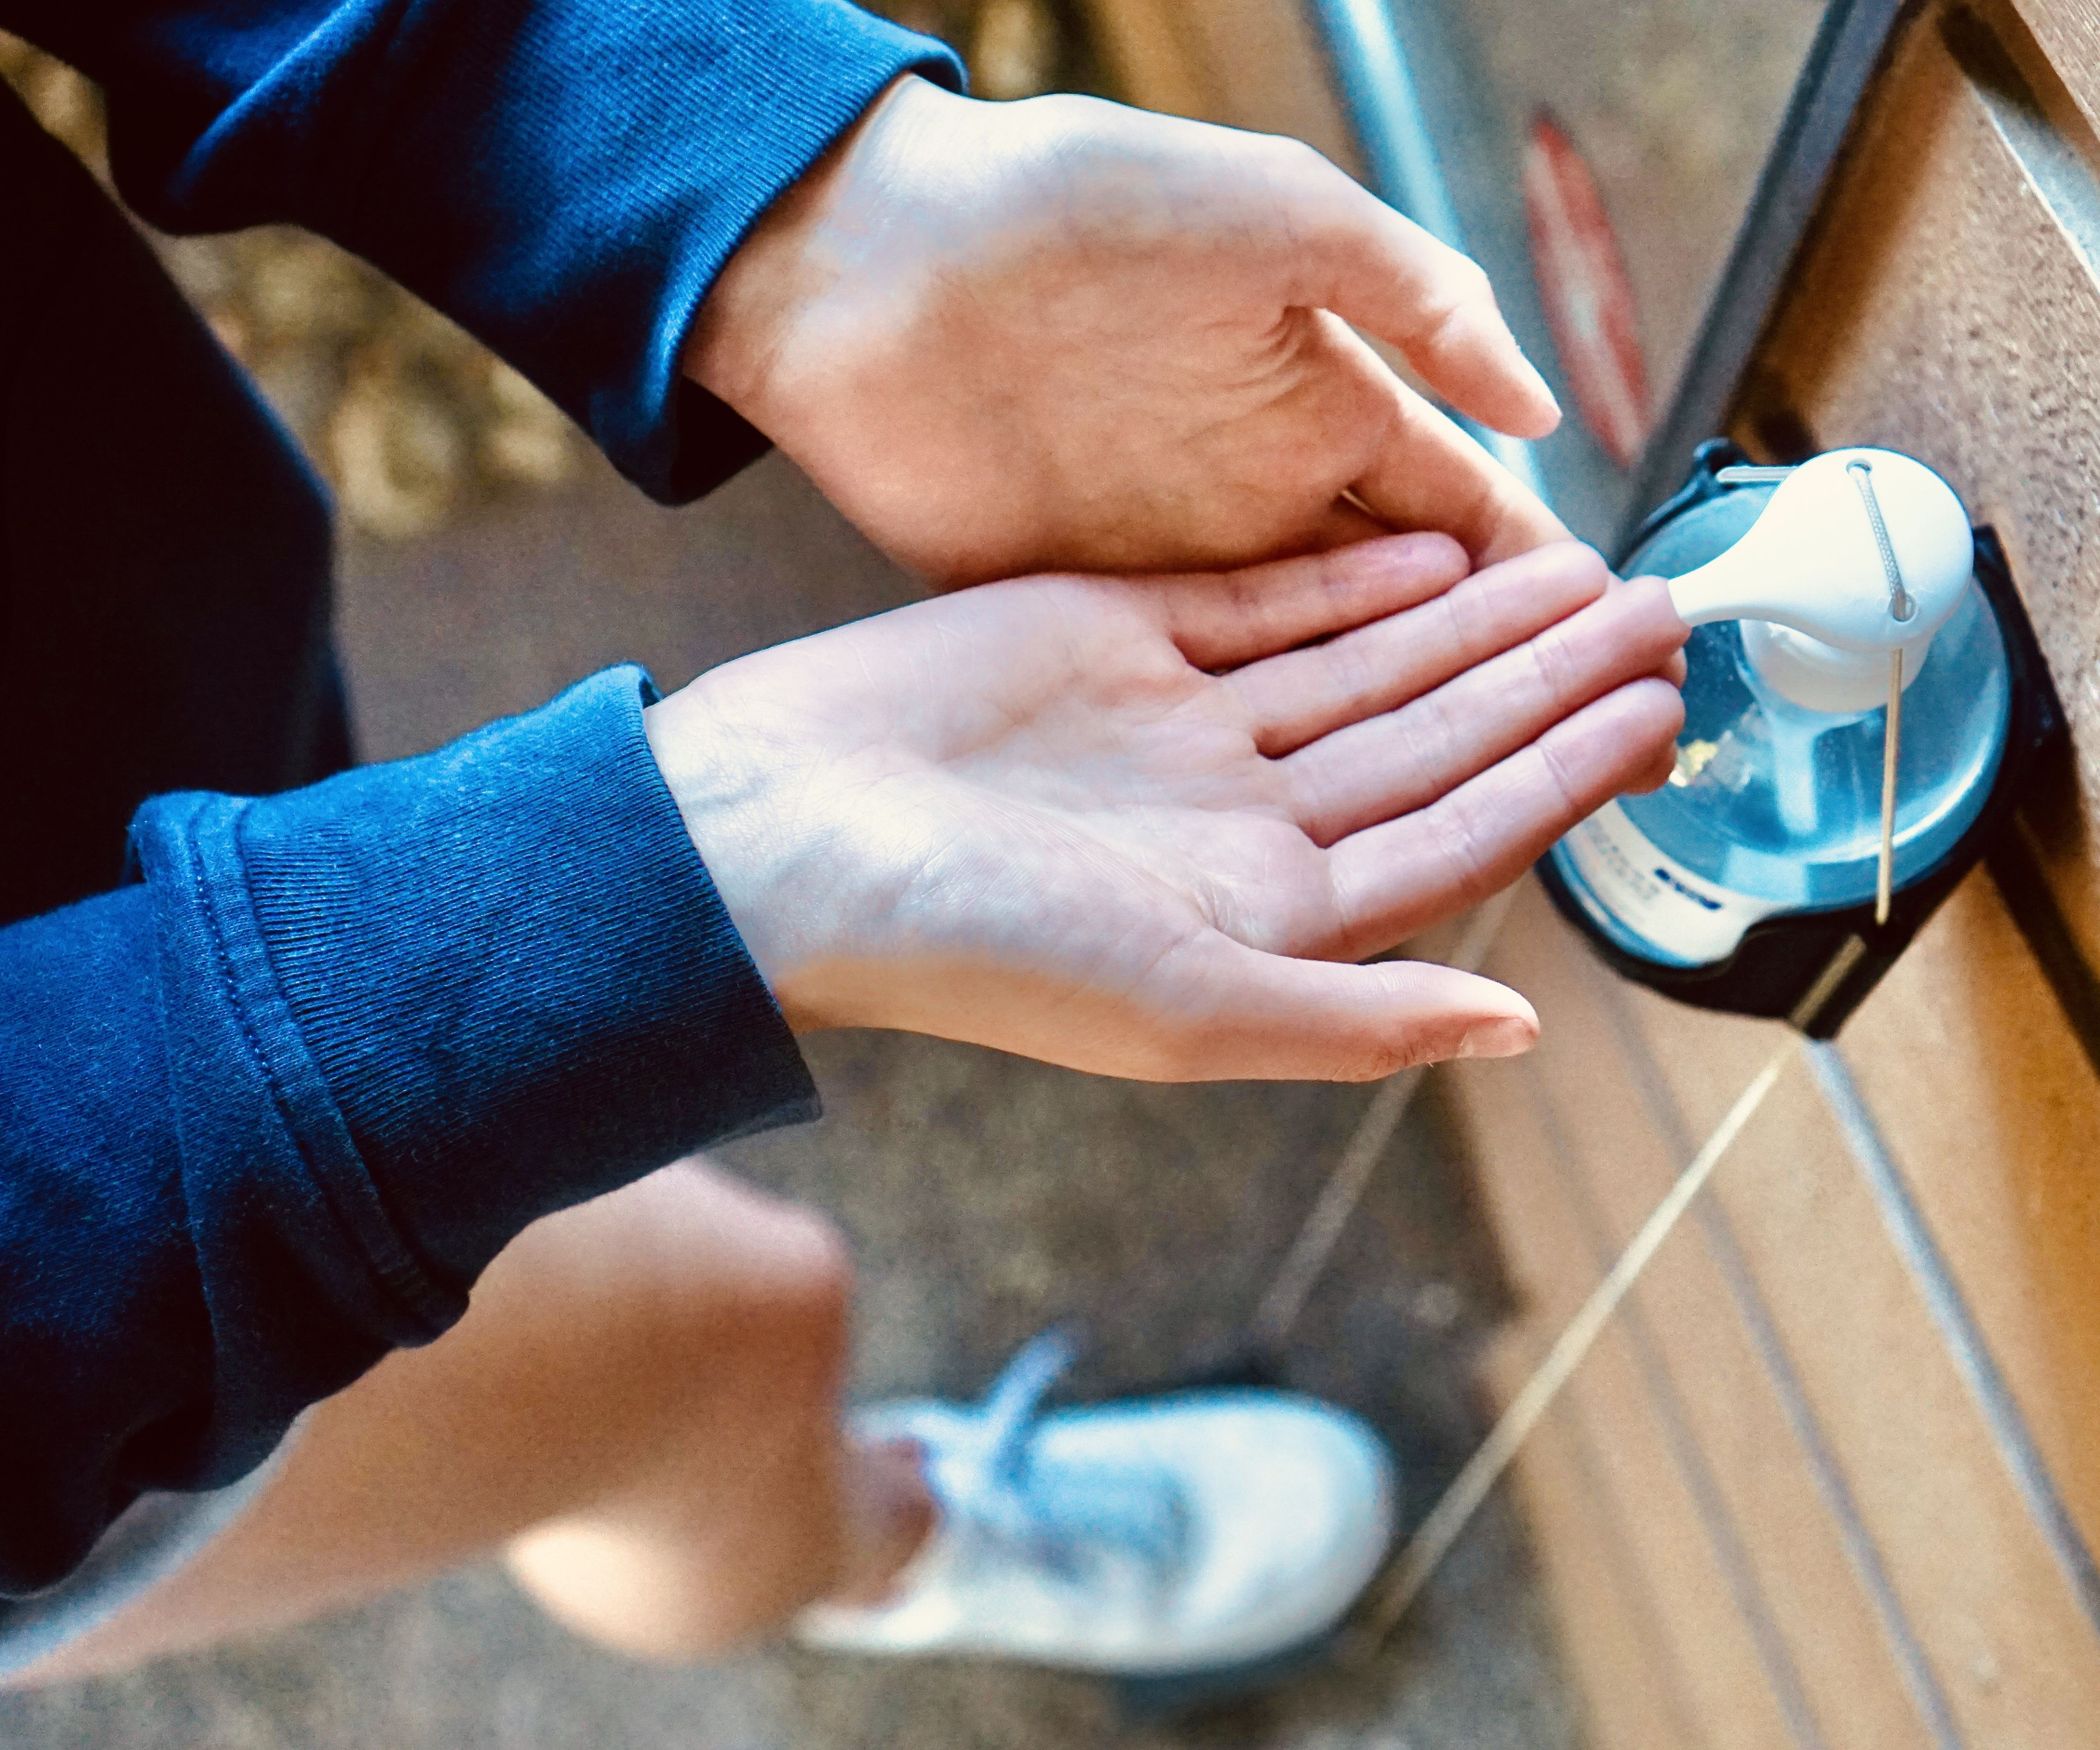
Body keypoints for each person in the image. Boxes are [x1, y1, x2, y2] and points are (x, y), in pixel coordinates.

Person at [0, 0, 1687, 1689]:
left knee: (640, 1285)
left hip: (113, 706)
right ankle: (889, 1544)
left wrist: (778, 195)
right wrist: (658, 875)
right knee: (722, 1340)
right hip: (78, 1271)